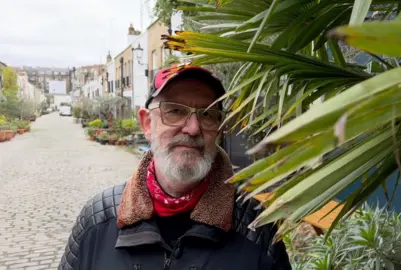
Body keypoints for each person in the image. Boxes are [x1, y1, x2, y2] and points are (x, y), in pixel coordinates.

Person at [59, 64, 291, 270]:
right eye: (175, 111)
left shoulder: (255, 225)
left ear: (219, 129)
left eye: (208, 114)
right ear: (147, 123)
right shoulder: (98, 219)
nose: (192, 128)